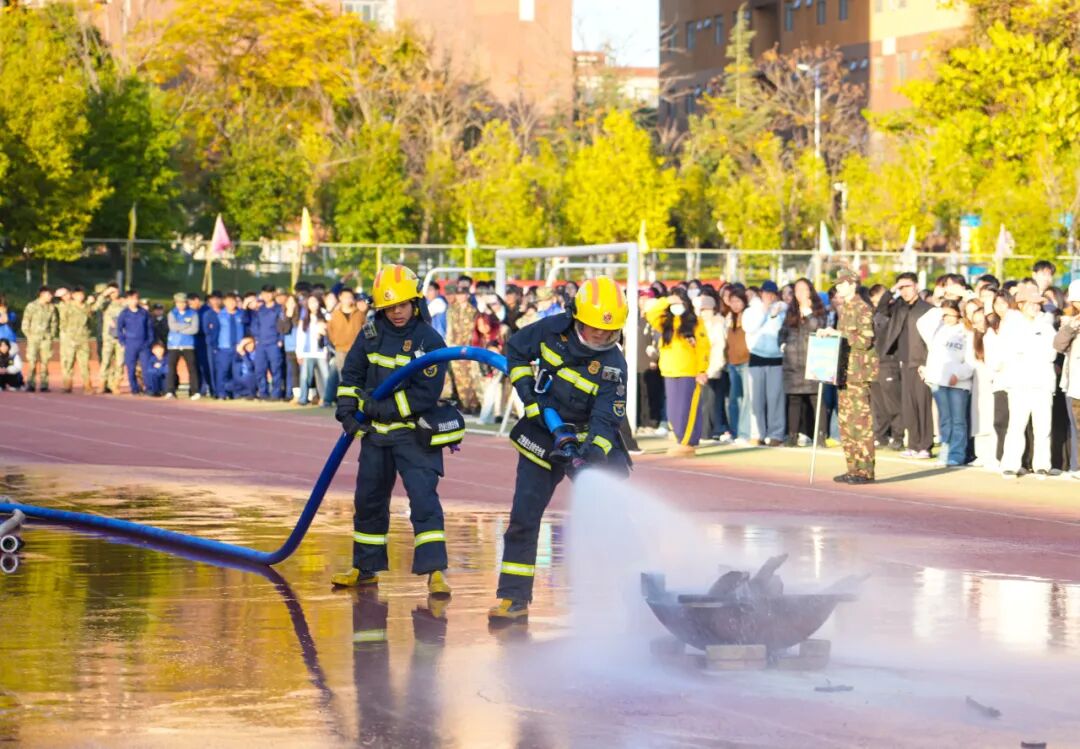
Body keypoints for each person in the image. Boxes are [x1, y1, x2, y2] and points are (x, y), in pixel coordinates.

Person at [489, 276, 631, 622]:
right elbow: (517, 351)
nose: (600, 336)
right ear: (576, 317)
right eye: (594, 327)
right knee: (524, 516)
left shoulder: (614, 366)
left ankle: (633, 600)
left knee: (615, 522)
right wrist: (529, 398)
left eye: (607, 331)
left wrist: (590, 459)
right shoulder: (552, 330)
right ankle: (514, 598)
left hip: (585, 439)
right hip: (542, 433)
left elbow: (605, 422)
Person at [331, 264, 452, 598]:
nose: (396, 313)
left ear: (414, 303)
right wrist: (346, 411)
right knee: (368, 501)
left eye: (402, 305)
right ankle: (366, 568)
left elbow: (425, 394)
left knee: (423, 502)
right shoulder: (370, 333)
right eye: (389, 307)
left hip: (413, 436)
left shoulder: (430, 340)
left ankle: (436, 573)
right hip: (375, 437)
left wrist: (378, 408)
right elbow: (351, 377)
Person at [998, 286, 1058, 478]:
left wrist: (1027, 351)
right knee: (1016, 425)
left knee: (1043, 427)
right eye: (1031, 303)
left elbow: (1051, 353)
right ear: (1021, 304)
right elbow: (1008, 352)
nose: (1036, 307)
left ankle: (1042, 464)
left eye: (1038, 304)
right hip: (1019, 383)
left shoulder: (1046, 325)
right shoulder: (1011, 324)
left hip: (1042, 383)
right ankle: (1010, 464)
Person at [828, 268, 879, 484]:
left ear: (852, 284)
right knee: (847, 424)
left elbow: (865, 340)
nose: (838, 287)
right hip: (845, 372)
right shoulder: (846, 308)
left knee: (860, 423)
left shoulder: (862, 308)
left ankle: (865, 470)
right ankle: (852, 467)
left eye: (842, 284)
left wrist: (839, 334)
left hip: (858, 372)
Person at [646, 287, 710, 456]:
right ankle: (680, 439)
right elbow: (650, 312)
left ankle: (687, 441)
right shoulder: (664, 322)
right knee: (673, 410)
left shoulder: (695, 322)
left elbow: (704, 347)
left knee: (686, 409)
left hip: (689, 371)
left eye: (679, 301)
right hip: (669, 370)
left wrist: (702, 370)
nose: (676, 305)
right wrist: (667, 300)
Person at [879, 272, 935, 459]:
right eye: (901, 287)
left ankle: (925, 446)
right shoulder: (898, 308)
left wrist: (928, 363)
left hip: (922, 363)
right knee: (908, 406)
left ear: (917, 286)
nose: (904, 291)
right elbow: (881, 309)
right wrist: (892, 291)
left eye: (907, 286)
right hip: (903, 361)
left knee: (922, 405)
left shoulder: (928, 309)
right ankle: (912, 444)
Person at [918, 300, 974, 467]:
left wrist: (959, 374)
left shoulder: (966, 332)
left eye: (950, 314)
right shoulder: (938, 329)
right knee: (945, 420)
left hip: (958, 384)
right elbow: (921, 322)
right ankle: (944, 453)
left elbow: (971, 360)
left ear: (958, 313)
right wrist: (939, 306)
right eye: (944, 315)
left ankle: (957, 454)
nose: (946, 318)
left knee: (958, 420)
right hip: (939, 381)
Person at [779, 278, 828, 447]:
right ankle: (792, 436)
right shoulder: (790, 311)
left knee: (817, 399)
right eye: (797, 290)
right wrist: (783, 344)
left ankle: (820, 436)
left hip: (813, 361)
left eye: (804, 289)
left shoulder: (819, 310)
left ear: (810, 291)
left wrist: (808, 313)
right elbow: (783, 331)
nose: (800, 293)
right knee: (794, 399)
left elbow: (819, 327)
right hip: (792, 362)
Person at [742, 280, 788, 446]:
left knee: (775, 398)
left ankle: (776, 433)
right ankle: (757, 433)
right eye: (766, 292)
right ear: (761, 293)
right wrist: (764, 311)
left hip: (776, 359)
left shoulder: (783, 310)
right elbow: (750, 327)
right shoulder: (751, 311)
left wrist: (776, 311)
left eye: (772, 293)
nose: (769, 296)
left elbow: (782, 331)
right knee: (756, 400)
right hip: (756, 357)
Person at [870, 284, 904, 450]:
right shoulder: (875, 315)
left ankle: (898, 436)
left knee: (893, 403)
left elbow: (884, 305)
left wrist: (893, 289)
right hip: (874, 363)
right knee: (878, 404)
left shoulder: (894, 312)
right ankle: (880, 436)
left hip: (889, 363)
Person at [1053, 280, 1080, 479]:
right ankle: (1076, 466)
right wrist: (1070, 329)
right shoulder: (1072, 322)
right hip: (1074, 383)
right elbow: (1058, 345)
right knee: (1075, 427)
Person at [698, 293, 730, 441]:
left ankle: (712, 430)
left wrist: (713, 369)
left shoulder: (718, 323)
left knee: (712, 401)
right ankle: (706, 431)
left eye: (708, 309)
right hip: (702, 368)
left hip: (714, 368)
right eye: (703, 309)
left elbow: (719, 347)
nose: (705, 312)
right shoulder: (699, 324)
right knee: (706, 401)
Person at [445, 280, 480, 412]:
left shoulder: (473, 310)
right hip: (455, 346)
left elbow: (474, 331)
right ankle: (465, 404)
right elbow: (449, 328)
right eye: (458, 294)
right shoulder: (452, 309)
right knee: (459, 376)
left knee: (470, 376)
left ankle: (473, 404)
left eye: (462, 294)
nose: (460, 297)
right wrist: (449, 345)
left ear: (467, 295)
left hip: (468, 347)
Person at [724, 287, 752, 444]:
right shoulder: (729, 319)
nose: (735, 305)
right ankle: (734, 431)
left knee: (747, 399)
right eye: (732, 301)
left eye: (738, 301)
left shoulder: (749, 317)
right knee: (734, 400)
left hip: (746, 362)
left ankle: (744, 433)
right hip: (733, 363)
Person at [21, 286, 58, 393]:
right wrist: (29, 335)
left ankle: (44, 384)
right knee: (32, 361)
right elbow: (25, 322)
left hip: (46, 339)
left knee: (45, 361)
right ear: (42, 294)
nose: (50, 296)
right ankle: (31, 383)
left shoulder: (51, 308)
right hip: (33, 338)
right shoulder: (31, 306)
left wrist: (51, 335)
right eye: (49, 294)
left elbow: (54, 323)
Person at [116, 290, 154, 396]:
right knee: (131, 368)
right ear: (127, 300)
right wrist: (123, 342)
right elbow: (119, 329)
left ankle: (149, 388)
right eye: (131, 299)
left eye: (136, 298)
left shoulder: (144, 313)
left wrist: (149, 341)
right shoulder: (124, 314)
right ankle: (134, 388)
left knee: (146, 367)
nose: (134, 301)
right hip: (130, 344)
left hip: (144, 344)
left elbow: (149, 328)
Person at [251, 284, 285, 400]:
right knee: (260, 369)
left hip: (274, 343)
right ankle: (263, 392)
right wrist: (256, 338)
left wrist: (280, 339)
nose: (267, 296)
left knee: (276, 369)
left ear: (274, 294)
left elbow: (281, 326)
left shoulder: (279, 309)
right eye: (265, 293)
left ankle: (276, 394)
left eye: (270, 293)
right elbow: (255, 325)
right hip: (261, 344)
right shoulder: (260, 309)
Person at [58, 286, 94, 394]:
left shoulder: (86, 307)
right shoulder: (66, 306)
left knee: (84, 364)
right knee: (68, 363)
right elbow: (63, 322)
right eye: (77, 295)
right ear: (73, 296)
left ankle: (87, 386)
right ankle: (67, 385)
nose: (80, 297)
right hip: (70, 339)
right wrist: (67, 336)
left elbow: (90, 320)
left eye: (82, 294)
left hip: (83, 339)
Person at [165, 292, 201, 400]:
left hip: (188, 344)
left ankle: (194, 391)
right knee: (171, 368)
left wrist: (180, 329)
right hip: (174, 345)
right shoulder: (172, 313)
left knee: (192, 368)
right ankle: (170, 390)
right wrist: (186, 326)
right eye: (179, 303)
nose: (181, 305)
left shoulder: (193, 314)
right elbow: (172, 327)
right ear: (175, 303)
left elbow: (194, 329)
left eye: (183, 302)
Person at [296, 294, 330, 406]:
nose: (313, 305)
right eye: (310, 302)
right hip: (307, 352)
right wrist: (299, 353)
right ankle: (303, 398)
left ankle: (326, 399)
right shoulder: (304, 319)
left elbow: (330, 331)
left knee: (325, 376)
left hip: (321, 352)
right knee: (305, 376)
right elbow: (300, 337)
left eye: (315, 302)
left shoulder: (325, 315)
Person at [92, 283, 126, 394]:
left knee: (120, 362)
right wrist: (104, 294)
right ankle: (102, 383)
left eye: (115, 291)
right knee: (105, 361)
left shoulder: (123, 303)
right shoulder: (106, 303)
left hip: (121, 337)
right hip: (108, 337)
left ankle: (115, 384)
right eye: (111, 292)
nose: (113, 294)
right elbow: (95, 307)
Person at [213, 293, 246, 398]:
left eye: (233, 301)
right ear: (224, 302)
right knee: (223, 371)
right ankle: (221, 393)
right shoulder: (219, 315)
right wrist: (215, 347)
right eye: (228, 301)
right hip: (224, 347)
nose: (231, 303)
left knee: (237, 372)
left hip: (239, 347)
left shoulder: (241, 314)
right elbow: (214, 332)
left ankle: (236, 393)